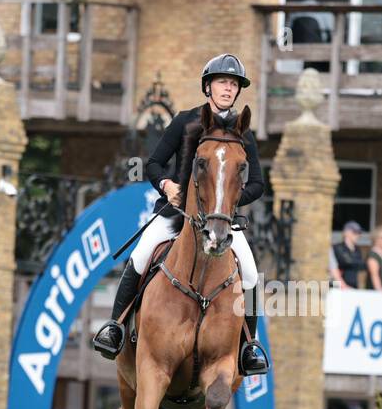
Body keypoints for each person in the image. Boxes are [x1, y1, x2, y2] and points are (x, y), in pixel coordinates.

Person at [91, 53, 269, 375]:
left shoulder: (243, 134)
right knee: (142, 254)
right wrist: (167, 185)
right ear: (208, 87)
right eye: (222, 83)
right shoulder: (185, 121)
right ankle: (115, 328)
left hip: (220, 221)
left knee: (253, 275)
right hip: (177, 215)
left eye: (233, 84)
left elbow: (258, 184)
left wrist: (226, 200)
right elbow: (154, 163)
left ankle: (250, 347)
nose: (228, 89)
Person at [329, 221, 366, 289]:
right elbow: (333, 269)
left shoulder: (357, 250)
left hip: (353, 287)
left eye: (359, 233)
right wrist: (344, 286)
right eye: (355, 232)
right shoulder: (337, 248)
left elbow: (360, 270)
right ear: (346, 233)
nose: (358, 235)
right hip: (337, 287)